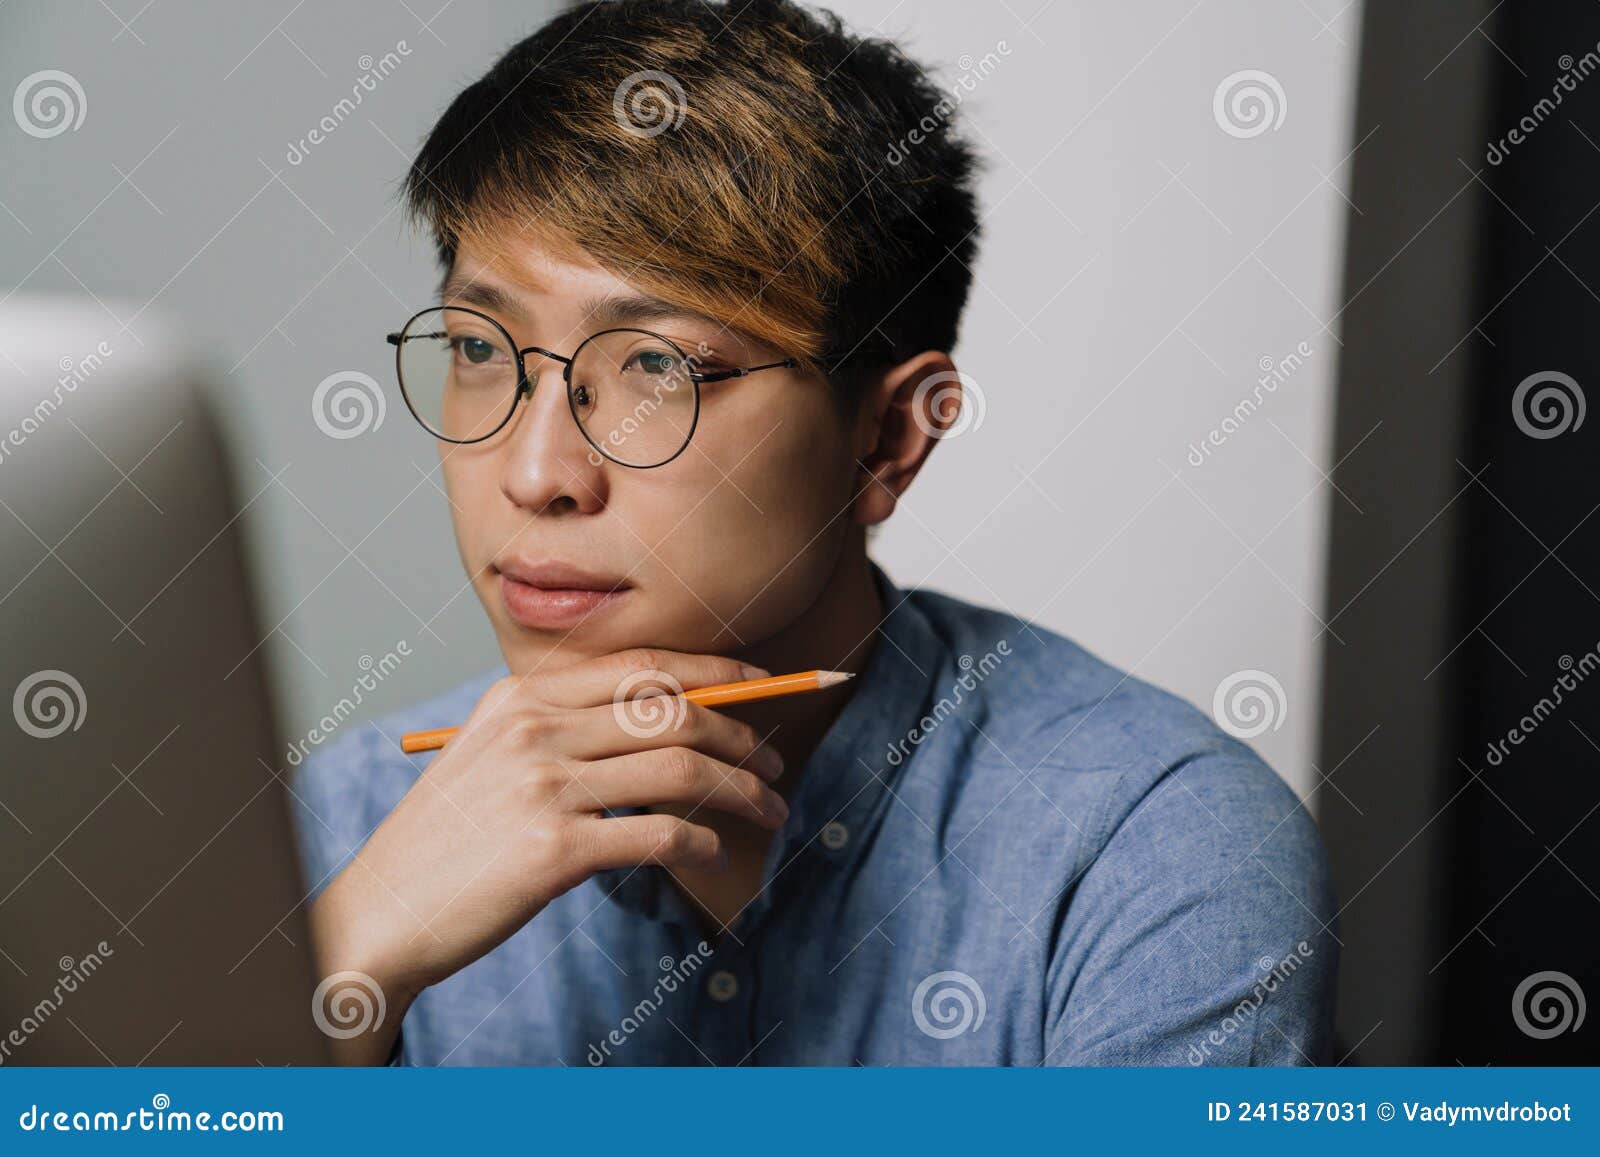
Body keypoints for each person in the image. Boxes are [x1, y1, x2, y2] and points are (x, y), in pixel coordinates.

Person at [294, 0, 1337, 1066]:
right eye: (478, 348)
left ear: (887, 436)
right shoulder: (345, 823)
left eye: (659, 368)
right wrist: (342, 974)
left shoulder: (1146, 849)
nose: (534, 474)